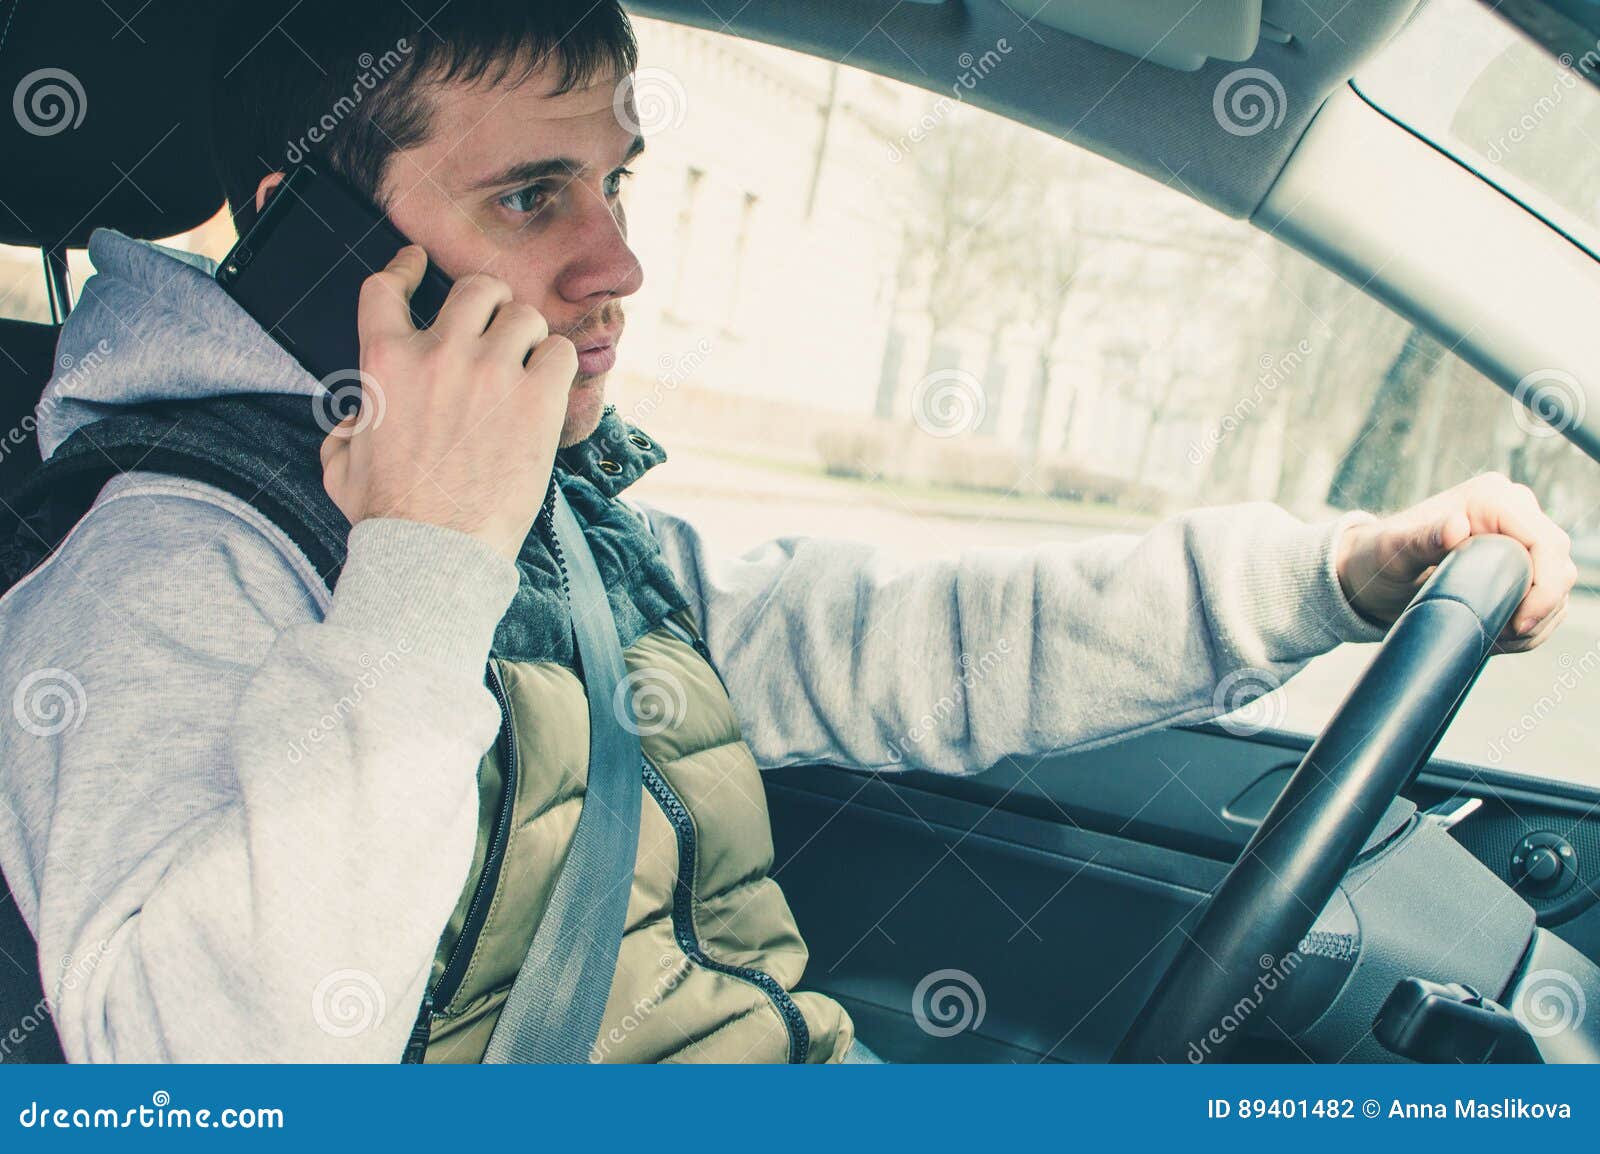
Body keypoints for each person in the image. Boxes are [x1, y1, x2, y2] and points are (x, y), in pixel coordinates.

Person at [0, 0, 1575, 1063]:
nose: (619, 261)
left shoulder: (569, 538)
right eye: (534, 196)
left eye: (616, 183)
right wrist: (421, 574)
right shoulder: (160, 567)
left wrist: (1329, 576)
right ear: (313, 234)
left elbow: (918, 642)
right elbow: (208, 1070)